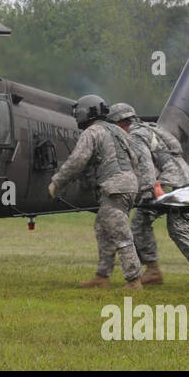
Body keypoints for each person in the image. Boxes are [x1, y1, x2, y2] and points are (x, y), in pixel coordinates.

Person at [109, 103, 189, 286]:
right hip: (188, 180)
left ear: (120, 122)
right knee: (179, 229)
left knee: (140, 223)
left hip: (167, 183)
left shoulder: (135, 136)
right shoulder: (153, 129)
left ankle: (153, 270)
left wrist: (150, 189)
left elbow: (145, 164)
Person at [49, 95, 143, 289]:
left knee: (120, 233)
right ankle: (102, 276)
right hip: (128, 184)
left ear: (84, 112)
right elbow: (136, 158)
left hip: (115, 186)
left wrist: (57, 181)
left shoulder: (92, 132)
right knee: (103, 228)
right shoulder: (118, 131)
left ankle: (134, 280)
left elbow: (77, 160)